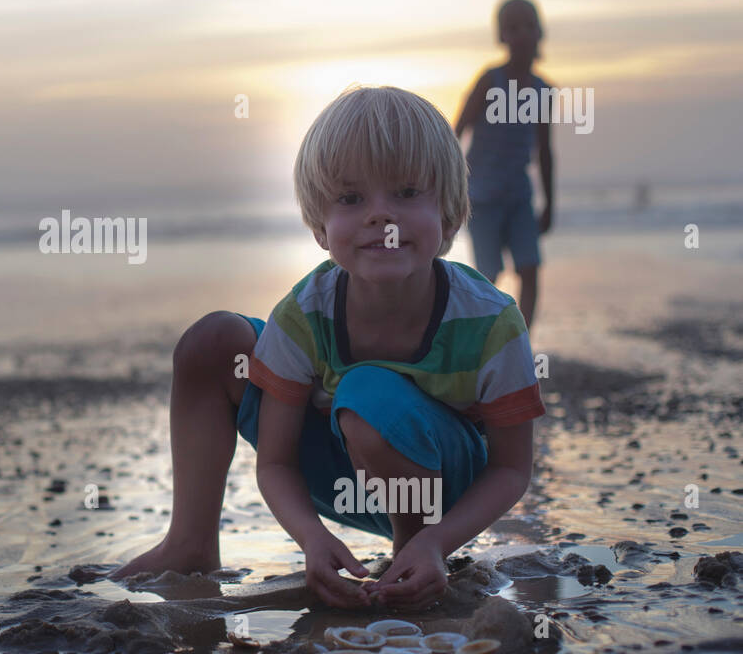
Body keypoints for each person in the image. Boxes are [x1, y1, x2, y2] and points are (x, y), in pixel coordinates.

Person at [112, 86, 544, 613]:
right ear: (320, 227)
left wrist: (439, 541)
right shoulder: (305, 314)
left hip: (444, 492)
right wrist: (312, 541)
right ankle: (190, 544)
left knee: (367, 390)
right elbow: (274, 462)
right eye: (351, 198)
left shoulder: (490, 321)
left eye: (407, 192)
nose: (379, 216)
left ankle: (411, 550)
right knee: (214, 341)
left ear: (450, 215)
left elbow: (511, 470)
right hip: (343, 476)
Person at [454, 0, 555, 330]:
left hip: (519, 197)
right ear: (501, 36)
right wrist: (445, 185)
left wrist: (550, 203)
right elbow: (457, 131)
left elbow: (544, 152)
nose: (522, 33)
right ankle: (480, 339)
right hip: (480, 196)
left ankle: (522, 343)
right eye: (512, 27)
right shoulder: (490, 80)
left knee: (530, 268)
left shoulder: (543, 90)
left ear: (540, 31)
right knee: (488, 274)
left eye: (528, 25)